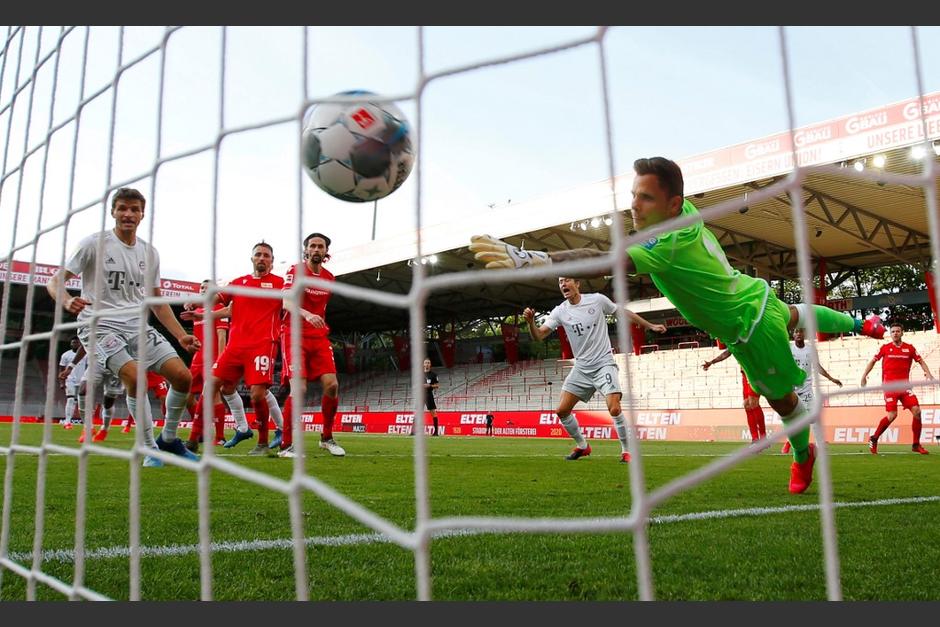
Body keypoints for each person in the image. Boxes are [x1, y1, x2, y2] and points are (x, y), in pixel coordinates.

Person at [470, 157, 886, 494]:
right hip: (750, 294)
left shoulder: (663, 242)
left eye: (646, 198)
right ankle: (859, 322)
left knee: (781, 400)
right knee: (794, 313)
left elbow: (603, 263)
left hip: (749, 326)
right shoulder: (684, 213)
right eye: (634, 195)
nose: (635, 205)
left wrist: (536, 260)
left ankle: (802, 455)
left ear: (671, 205)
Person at [46, 187, 200, 467]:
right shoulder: (93, 244)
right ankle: (149, 448)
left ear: (142, 214)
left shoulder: (149, 253)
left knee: (182, 377)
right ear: (113, 212)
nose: (128, 214)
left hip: (136, 326)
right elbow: (55, 281)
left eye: (134, 209)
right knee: (135, 377)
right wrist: (67, 300)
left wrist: (180, 335)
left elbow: (156, 302)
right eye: (122, 208)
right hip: (99, 326)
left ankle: (168, 440)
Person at [524, 276, 666, 463]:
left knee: (614, 408)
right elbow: (539, 335)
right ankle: (583, 446)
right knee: (561, 411)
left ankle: (626, 451)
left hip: (603, 363)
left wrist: (649, 325)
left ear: (577, 283)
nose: (563, 284)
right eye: (560, 282)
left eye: (567, 280)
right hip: (581, 368)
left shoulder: (597, 300)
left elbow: (622, 312)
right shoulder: (560, 311)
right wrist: (531, 323)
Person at [199, 242, 284, 456]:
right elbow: (227, 308)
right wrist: (200, 307)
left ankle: (276, 432)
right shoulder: (239, 283)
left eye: (266, 255)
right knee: (223, 388)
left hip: (262, 344)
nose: (262, 258)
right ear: (252, 258)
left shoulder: (279, 284)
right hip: (235, 347)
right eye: (258, 254)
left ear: (272, 261)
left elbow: (292, 304)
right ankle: (243, 428)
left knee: (258, 392)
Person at [275, 232, 344, 458]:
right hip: (293, 334)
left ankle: (326, 438)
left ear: (326, 252)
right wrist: (306, 314)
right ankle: (286, 445)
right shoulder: (295, 271)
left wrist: (316, 320)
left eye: (320, 246)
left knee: (332, 385)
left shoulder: (329, 278)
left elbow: (321, 307)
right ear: (305, 250)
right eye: (312, 246)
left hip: (318, 336)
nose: (316, 249)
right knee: (300, 388)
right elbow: (286, 302)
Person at [860, 321, 935, 455]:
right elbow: (872, 361)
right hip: (890, 387)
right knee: (892, 415)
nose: (895, 333)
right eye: (893, 331)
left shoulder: (909, 348)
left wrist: (928, 373)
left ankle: (916, 445)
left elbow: (921, 361)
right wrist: (864, 376)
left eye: (897, 331)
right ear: (890, 334)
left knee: (917, 411)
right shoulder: (885, 348)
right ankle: (874, 438)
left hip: (905, 387)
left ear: (902, 333)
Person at [180, 279, 230, 453]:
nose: (203, 290)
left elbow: (222, 336)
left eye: (207, 288)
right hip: (197, 359)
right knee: (186, 395)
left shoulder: (219, 308)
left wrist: (220, 360)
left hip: (212, 359)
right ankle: (201, 431)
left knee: (214, 396)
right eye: (201, 287)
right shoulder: (197, 311)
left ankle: (220, 437)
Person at [702, 349, 767, 445]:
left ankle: (763, 438)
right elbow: (726, 353)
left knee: (753, 403)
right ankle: (755, 439)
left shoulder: (748, 341)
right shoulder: (734, 343)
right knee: (747, 405)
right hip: (745, 374)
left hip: (754, 373)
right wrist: (711, 362)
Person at [58, 337, 84, 429]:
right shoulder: (65, 355)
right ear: (71, 344)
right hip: (70, 380)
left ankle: (86, 422)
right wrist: (61, 382)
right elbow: (61, 369)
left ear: (80, 344)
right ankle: (68, 422)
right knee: (70, 399)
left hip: (82, 381)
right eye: (73, 342)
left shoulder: (85, 355)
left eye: (77, 343)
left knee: (80, 402)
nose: (75, 344)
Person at [423, 358, 441, 436]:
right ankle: (413, 431)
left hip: (428, 394)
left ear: (430, 365)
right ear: (423, 364)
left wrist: (429, 385)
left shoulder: (433, 375)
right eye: (425, 363)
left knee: (433, 412)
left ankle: (436, 432)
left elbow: (437, 385)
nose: (427, 364)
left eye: (428, 363)